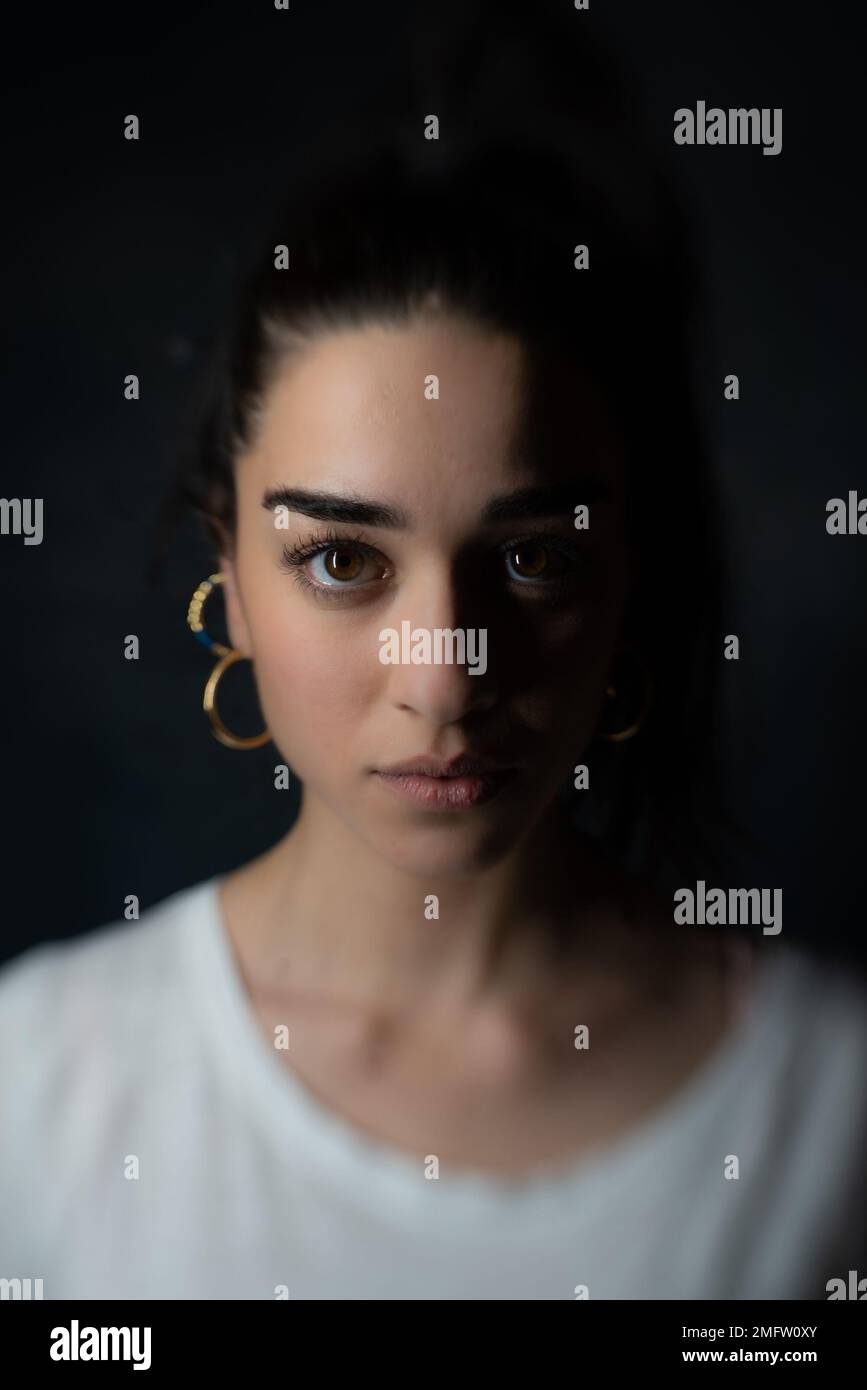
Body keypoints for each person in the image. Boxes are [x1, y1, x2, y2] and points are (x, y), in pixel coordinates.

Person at [2, 2, 865, 1301]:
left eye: (533, 557)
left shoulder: (832, 1101)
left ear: (634, 574)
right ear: (229, 579)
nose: (447, 674)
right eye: (343, 561)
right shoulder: (38, 1086)